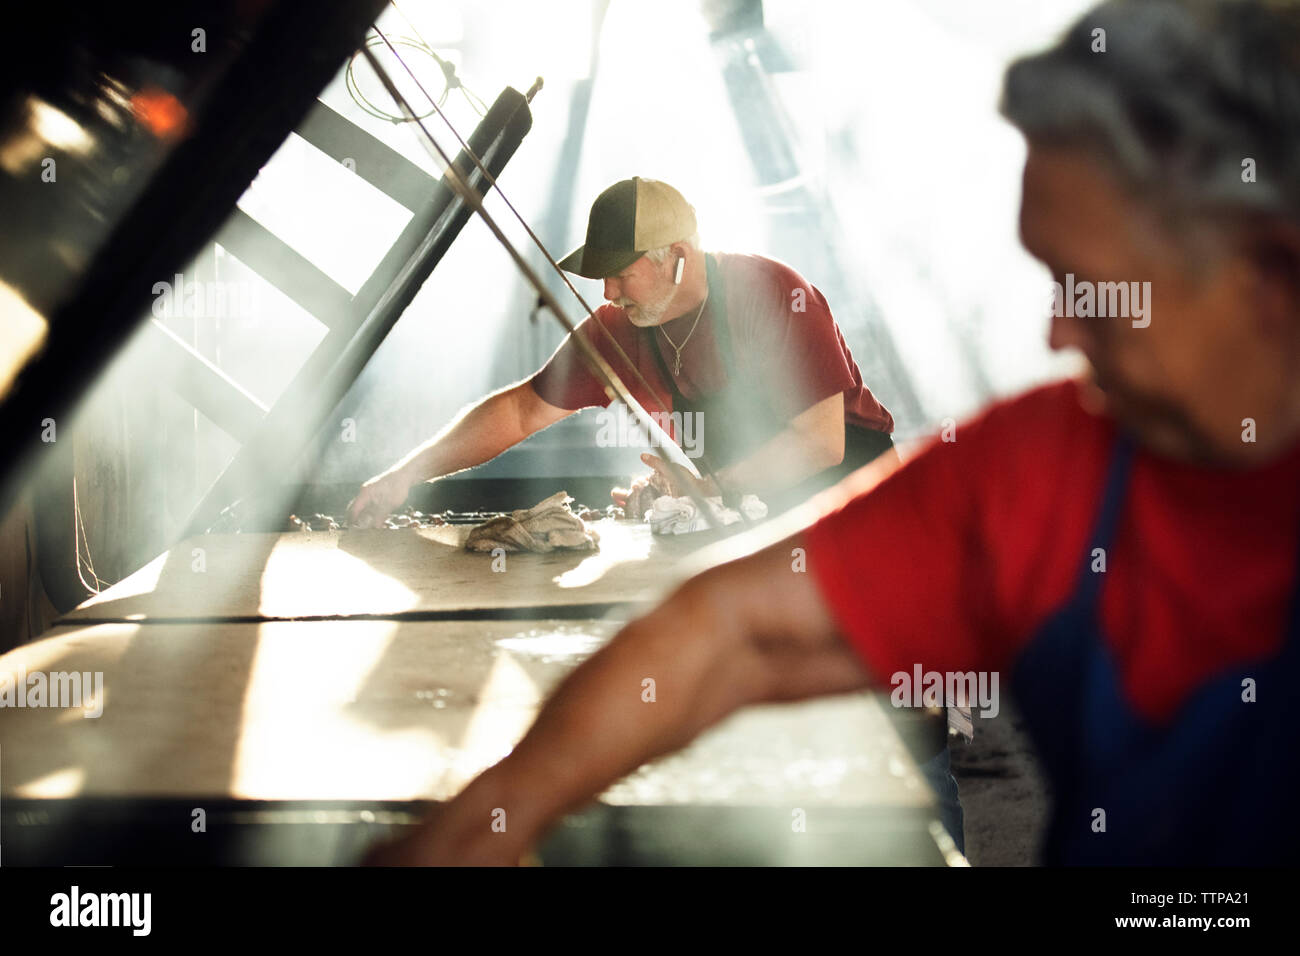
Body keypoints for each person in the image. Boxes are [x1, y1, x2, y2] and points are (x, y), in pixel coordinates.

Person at [367, 0, 1300, 866]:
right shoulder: (1042, 462)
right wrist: (483, 822)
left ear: (1273, 266)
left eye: (1091, 287)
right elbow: (728, 631)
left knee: (908, 744)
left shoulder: (773, 294)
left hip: (827, 485)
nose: (1056, 333)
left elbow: (816, 445)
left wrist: (712, 484)